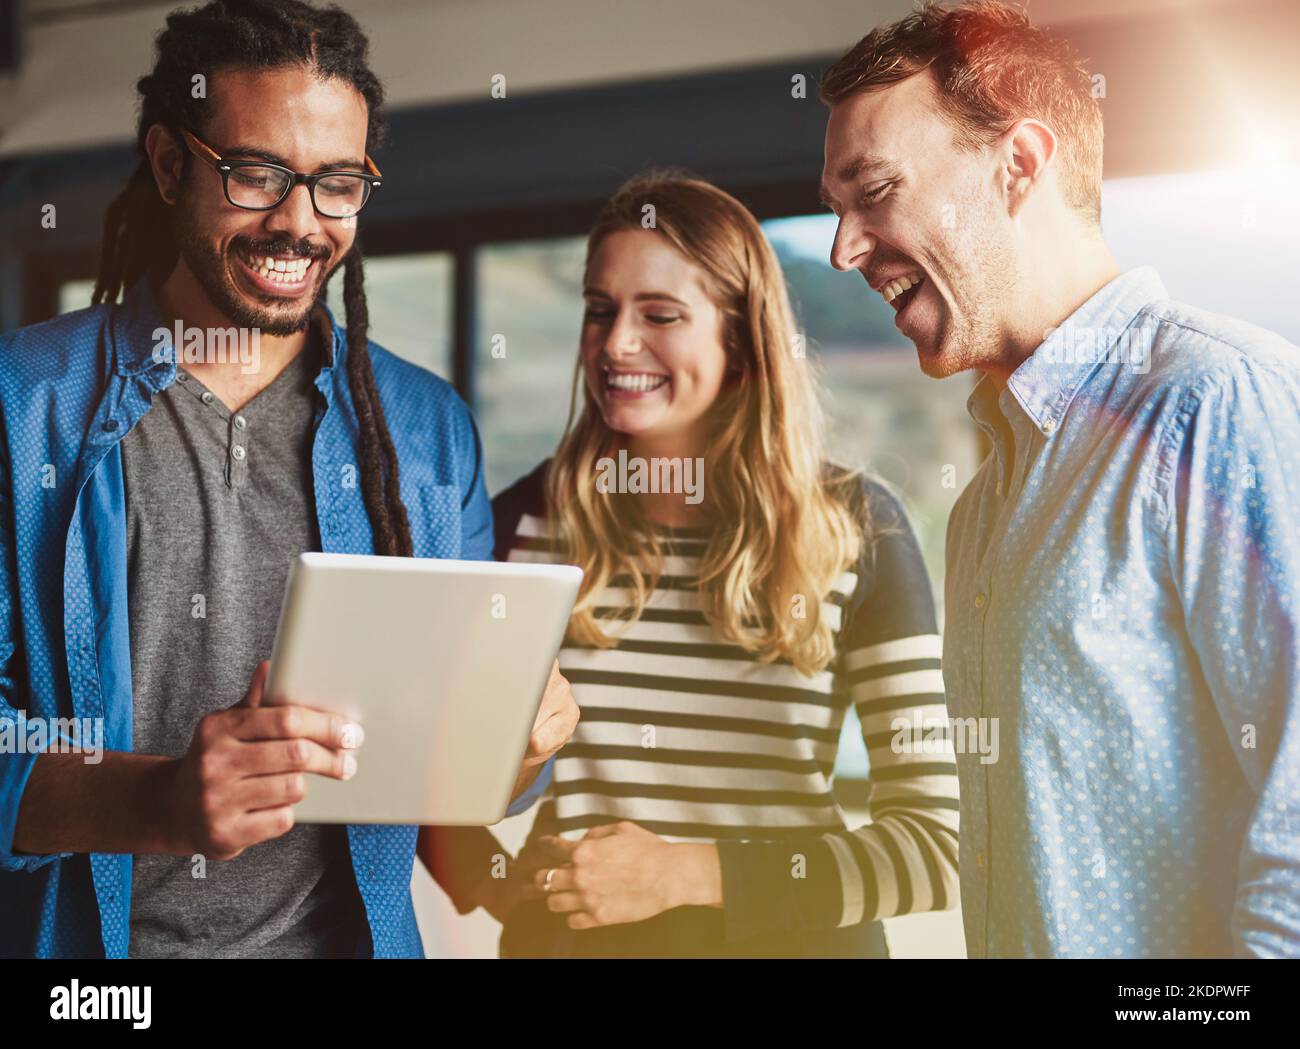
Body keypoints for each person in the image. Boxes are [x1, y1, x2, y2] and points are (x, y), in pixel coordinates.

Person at [0, 0, 577, 959]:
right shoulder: (23, 405)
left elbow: (446, 779)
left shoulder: (426, 434)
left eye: (337, 183)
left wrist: (515, 744)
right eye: (257, 173)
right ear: (170, 161)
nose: (300, 223)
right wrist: (157, 800)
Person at [819, 0, 1300, 957]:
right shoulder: (985, 505)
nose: (844, 250)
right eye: (837, 214)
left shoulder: (1217, 402)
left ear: (1019, 165)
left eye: (873, 192)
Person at [421, 172, 959, 958]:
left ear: (740, 339)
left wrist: (683, 874)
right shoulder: (524, 522)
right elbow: (422, 772)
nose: (615, 345)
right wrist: (496, 879)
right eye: (599, 311)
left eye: (660, 315)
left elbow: (933, 846)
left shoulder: (860, 528)